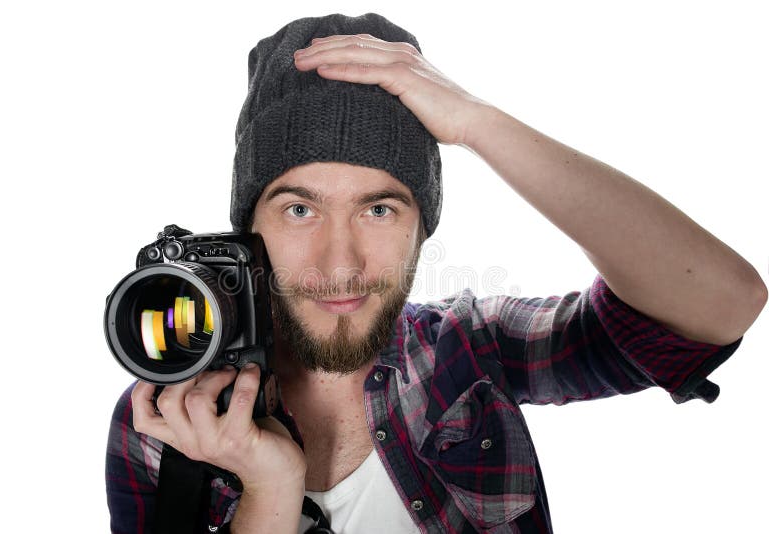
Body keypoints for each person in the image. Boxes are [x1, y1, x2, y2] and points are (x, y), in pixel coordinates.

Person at [105, 12, 767, 534]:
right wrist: (271, 490)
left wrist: (479, 125)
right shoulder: (169, 417)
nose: (341, 264)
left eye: (380, 208)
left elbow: (721, 303)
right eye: (301, 208)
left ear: (424, 226)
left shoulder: (469, 352)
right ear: (247, 230)